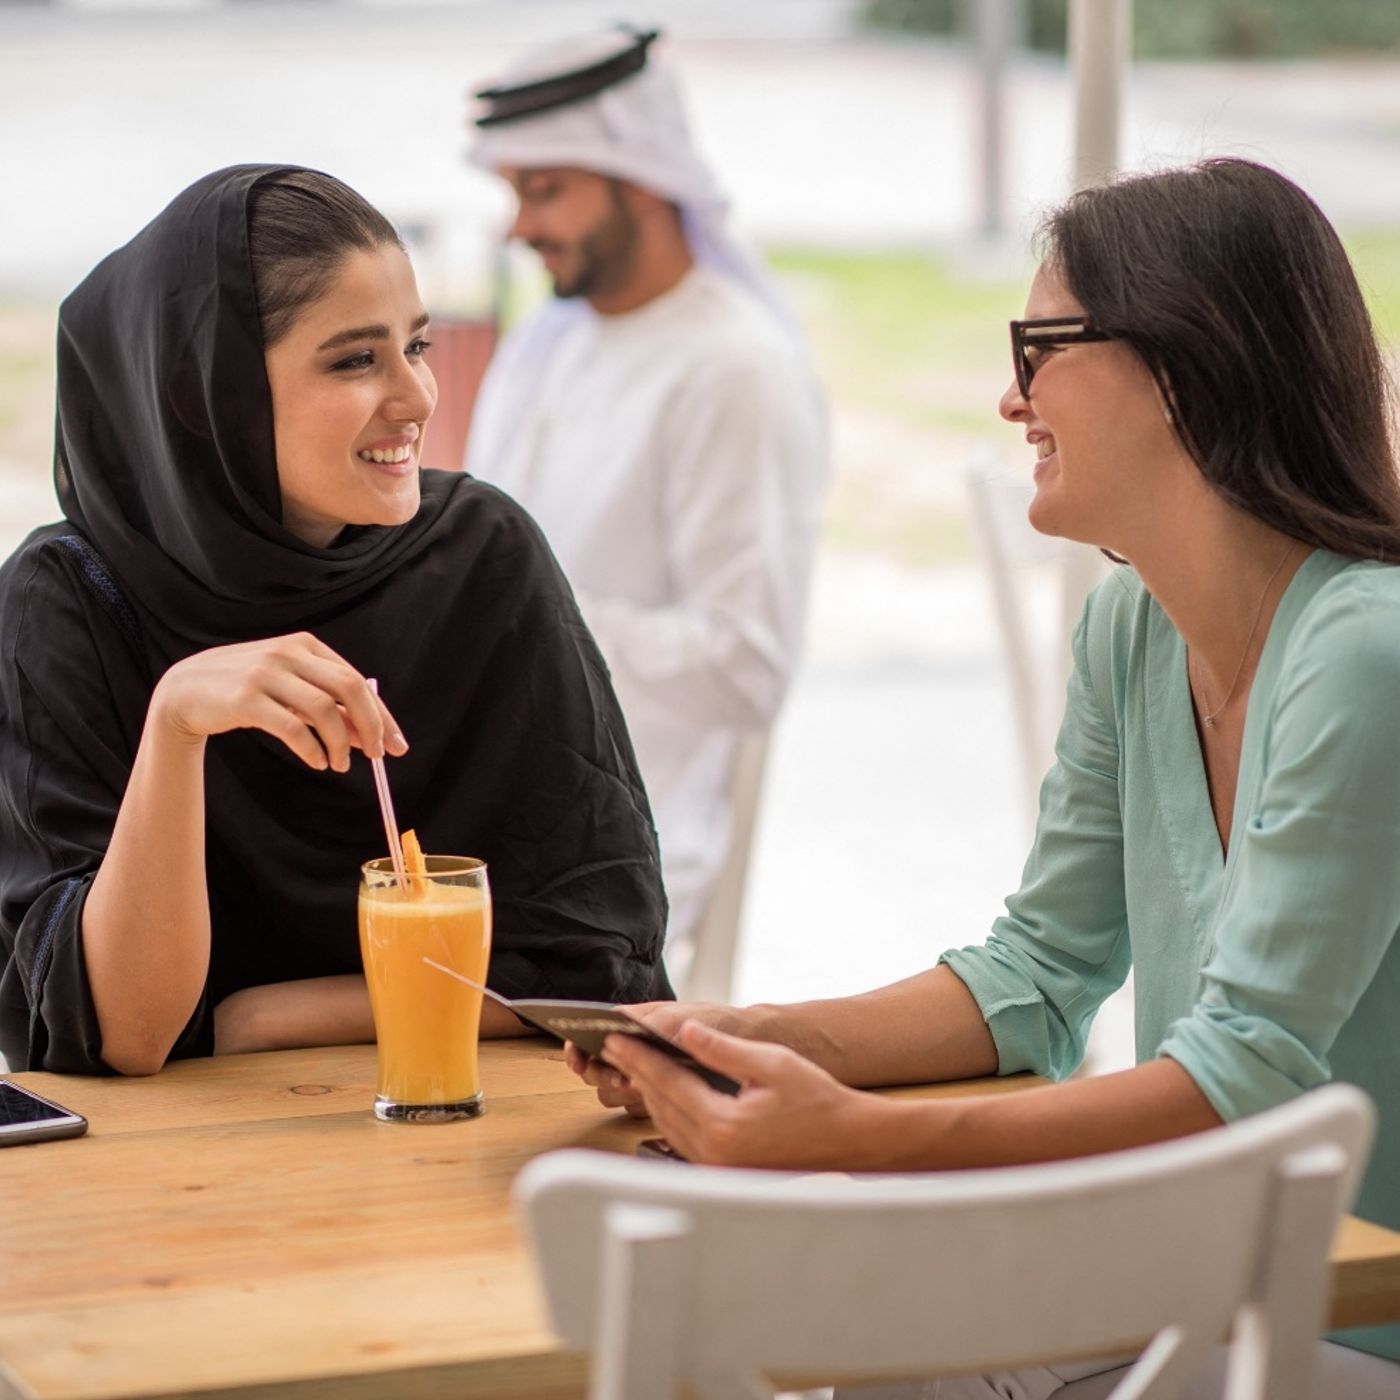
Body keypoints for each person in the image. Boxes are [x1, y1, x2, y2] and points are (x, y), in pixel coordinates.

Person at [565, 158, 1400, 1393]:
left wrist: (852, 1138)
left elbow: (1245, 1069)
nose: (1010, 401)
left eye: (1035, 346)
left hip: (1342, 1313)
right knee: (865, 1339)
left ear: (1177, 366)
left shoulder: (1364, 649)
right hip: (1211, 1285)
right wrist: (743, 1035)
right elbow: (1037, 972)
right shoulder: (1130, 629)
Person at [0, 164, 670, 1078]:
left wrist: (255, 1020)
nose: (417, 398)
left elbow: (599, 976)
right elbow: (120, 1033)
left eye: (418, 347)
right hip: (185, 1181)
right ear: (211, 391)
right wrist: (177, 724)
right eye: (357, 359)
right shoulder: (66, 603)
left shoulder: (481, 554)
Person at [465, 26, 828, 981]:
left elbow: (747, 666)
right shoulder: (551, 343)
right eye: (513, 192)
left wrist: (528, 627)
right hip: (488, 800)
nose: (519, 226)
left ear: (640, 175)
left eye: (545, 190)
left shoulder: (733, 369)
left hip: (616, 847)